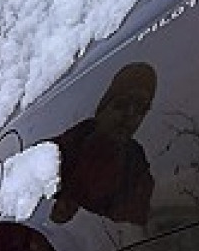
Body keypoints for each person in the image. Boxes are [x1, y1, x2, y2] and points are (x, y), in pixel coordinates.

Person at [49, 62, 157, 225]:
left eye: (141, 109)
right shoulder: (58, 152)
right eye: (122, 104)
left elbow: (136, 224)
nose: (130, 115)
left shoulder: (136, 167)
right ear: (103, 108)